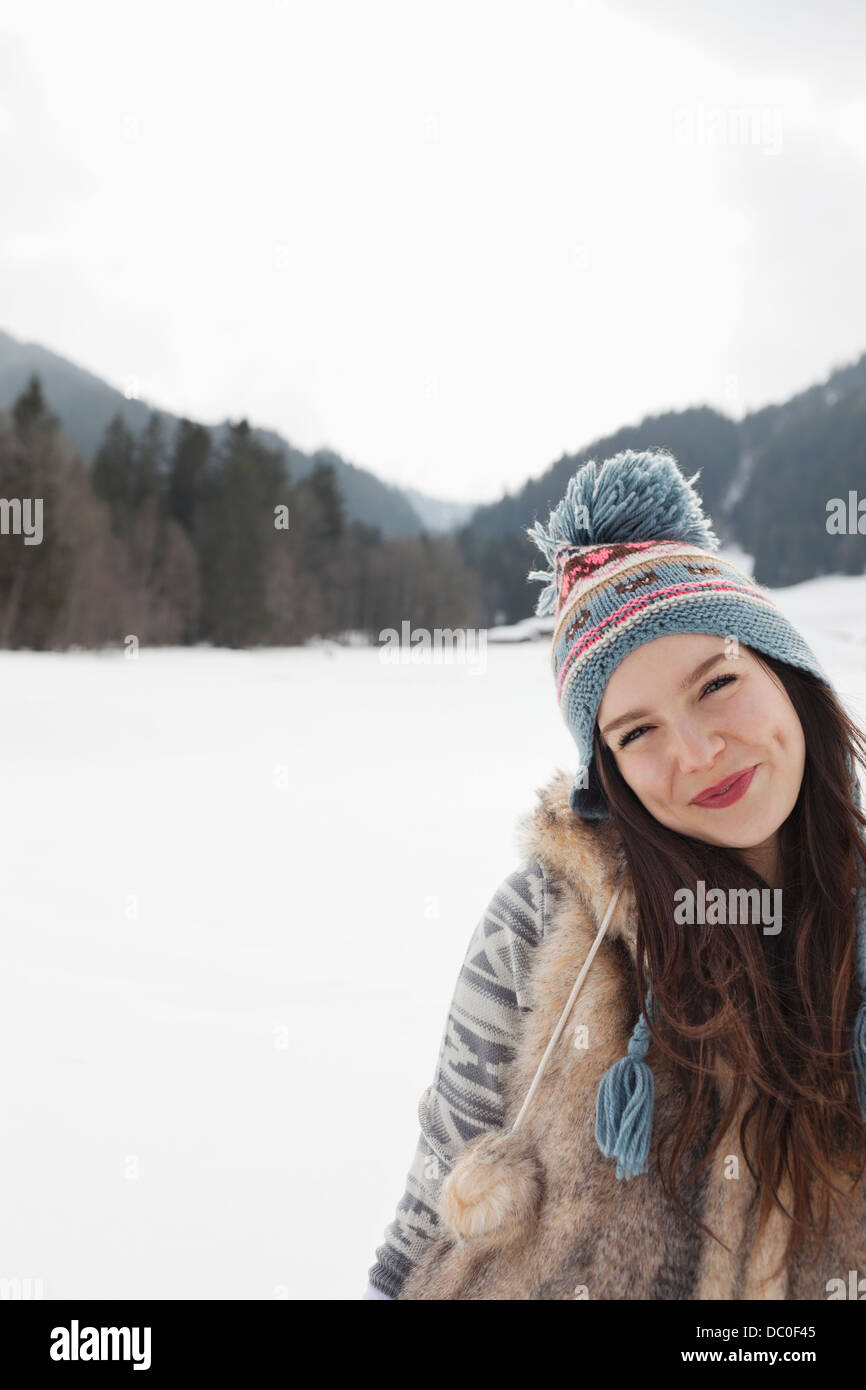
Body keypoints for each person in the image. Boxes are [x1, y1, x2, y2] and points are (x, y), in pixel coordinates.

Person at [364, 447, 866, 1300]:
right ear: (611, 777)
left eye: (716, 683)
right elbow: (423, 1229)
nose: (698, 754)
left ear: (787, 675)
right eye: (636, 733)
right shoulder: (544, 922)